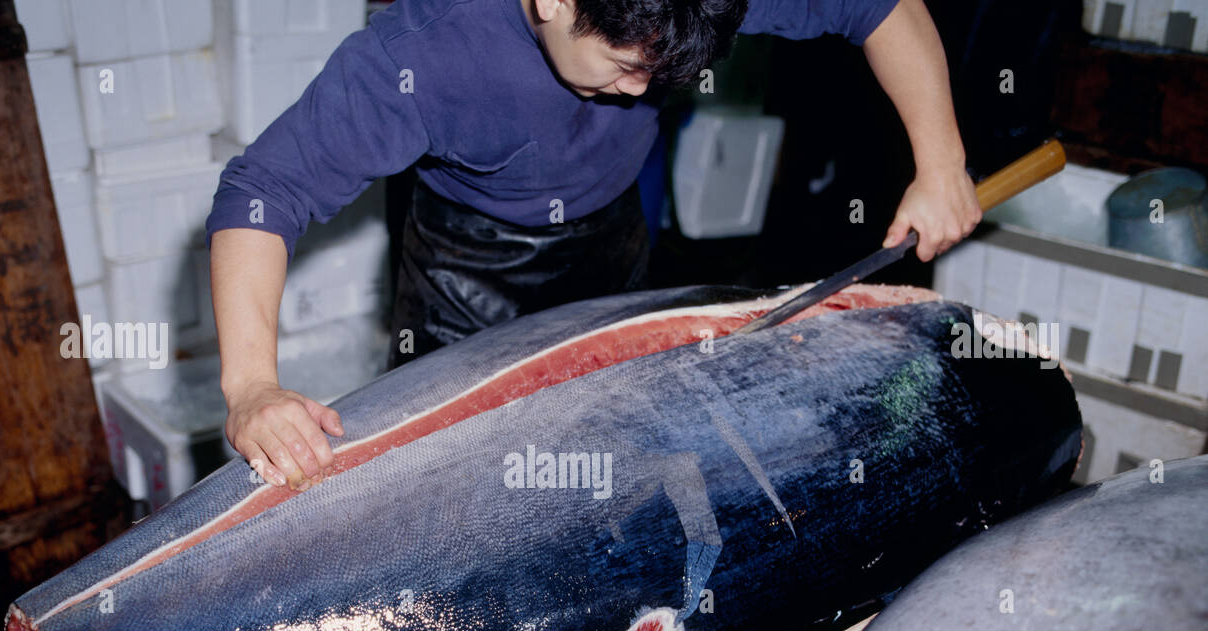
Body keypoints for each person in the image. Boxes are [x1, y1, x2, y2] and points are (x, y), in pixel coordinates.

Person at [207, 0, 980, 489]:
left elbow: (882, 6)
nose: (644, 92)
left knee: (611, 464)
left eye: (663, 72)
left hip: (613, 234)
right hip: (469, 266)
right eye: (623, 65)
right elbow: (263, 191)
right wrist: (251, 388)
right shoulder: (424, 52)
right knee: (446, 488)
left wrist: (942, 161)